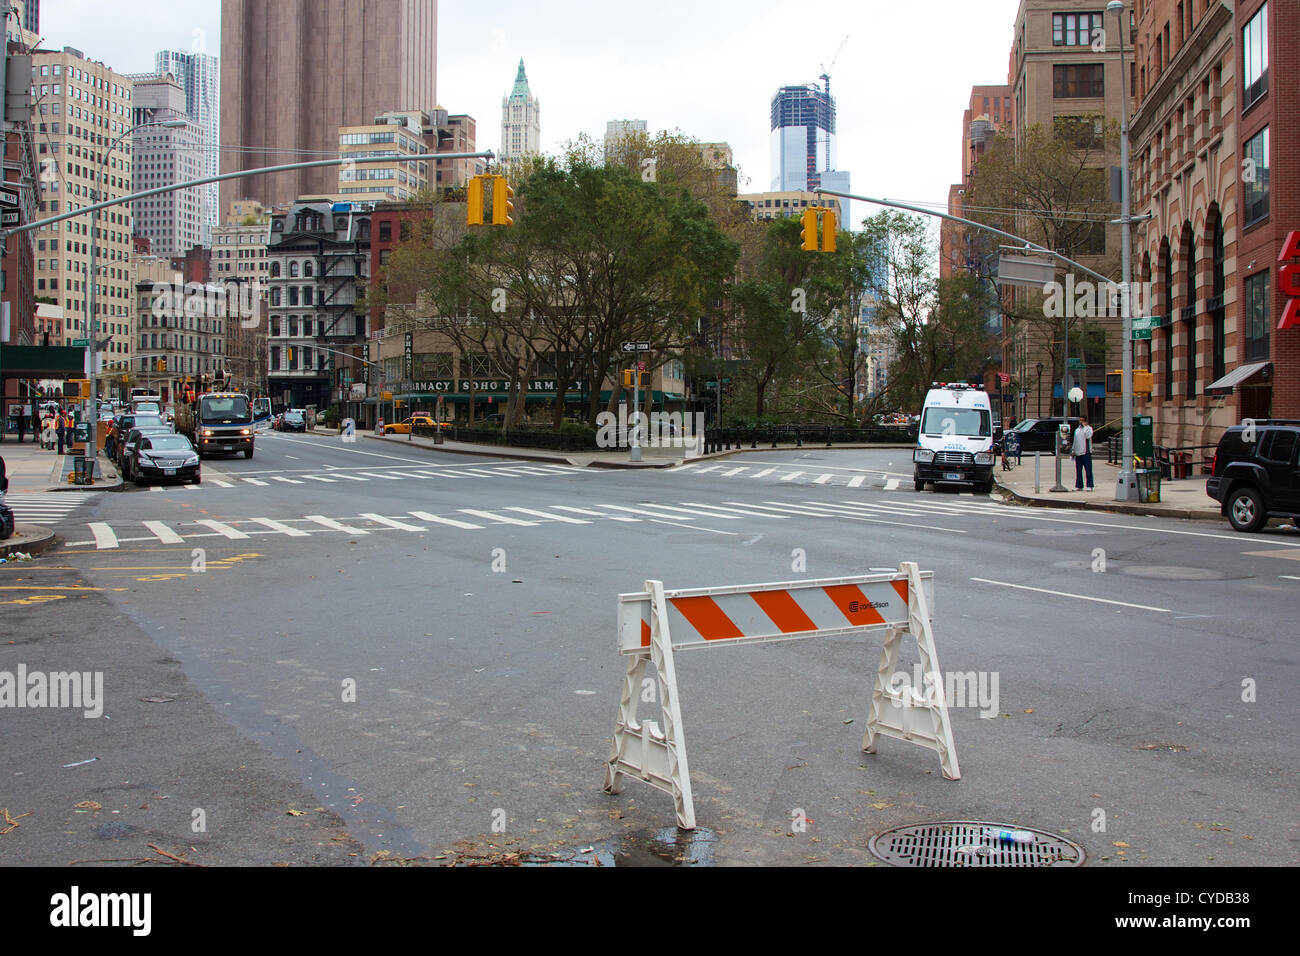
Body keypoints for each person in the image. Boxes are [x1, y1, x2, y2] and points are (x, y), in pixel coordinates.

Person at [1072, 415, 1095, 491]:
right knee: (1078, 470)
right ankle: (1079, 485)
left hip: (1086, 452)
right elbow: (1075, 441)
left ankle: (1090, 485)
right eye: (1080, 420)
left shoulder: (1088, 429)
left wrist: (1085, 427)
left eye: (1082, 420)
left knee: (1088, 469)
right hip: (1078, 452)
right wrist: (1073, 450)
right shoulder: (1077, 430)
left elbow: (1088, 436)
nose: (1081, 422)